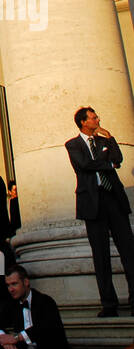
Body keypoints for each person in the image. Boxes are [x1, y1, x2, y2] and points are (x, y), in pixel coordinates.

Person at [65, 106, 134, 316]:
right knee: (101, 256)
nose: (98, 120)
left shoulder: (104, 142)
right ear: (83, 122)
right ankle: (109, 303)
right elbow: (84, 164)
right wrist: (108, 164)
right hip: (92, 203)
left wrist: (110, 139)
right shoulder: (73, 144)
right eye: (94, 117)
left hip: (113, 198)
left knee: (129, 251)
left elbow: (118, 159)